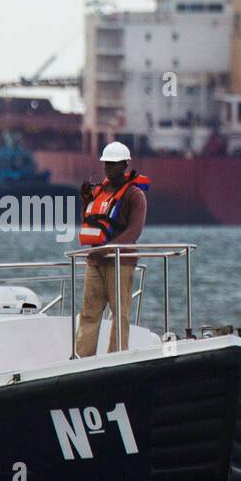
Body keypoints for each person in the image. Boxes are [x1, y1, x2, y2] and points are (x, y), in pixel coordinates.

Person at [76, 141, 149, 356]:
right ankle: (82, 358)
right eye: (107, 163)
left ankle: (117, 356)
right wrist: (85, 201)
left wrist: (108, 248)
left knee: (120, 314)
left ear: (125, 165)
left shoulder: (135, 195)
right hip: (95, 262)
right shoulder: (98, 192)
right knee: (89, 312)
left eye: (114, 164)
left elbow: (134, 232)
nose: (109, 167)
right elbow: (89, 222)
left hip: (120, 262)